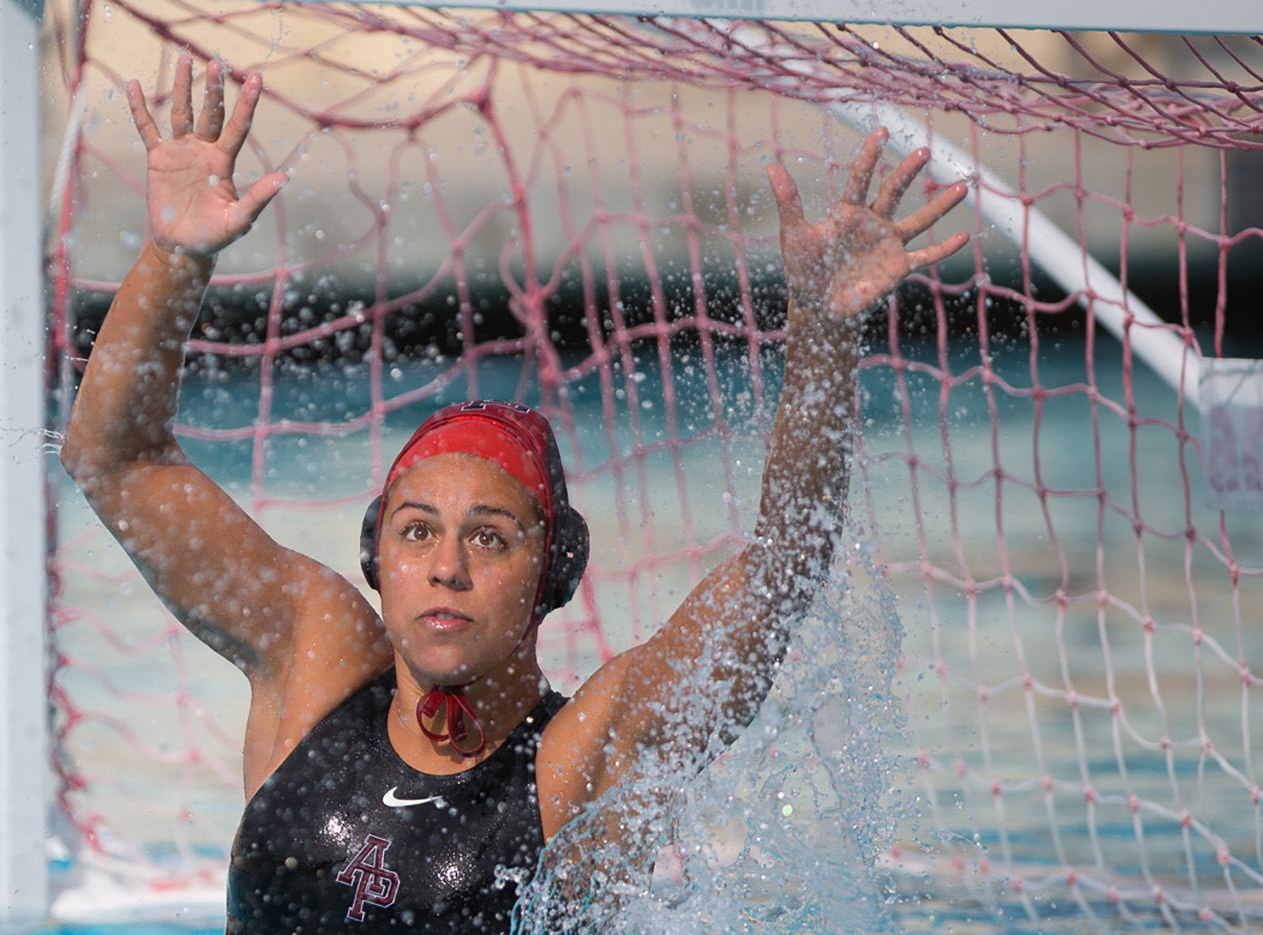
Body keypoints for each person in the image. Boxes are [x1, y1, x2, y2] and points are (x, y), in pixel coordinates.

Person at [58, 57, 970, 933]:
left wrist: (820, 333)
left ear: (553, 569)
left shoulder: (581, 761)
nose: (446, 567)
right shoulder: (316, 659)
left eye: (489, 539)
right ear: (377, 555)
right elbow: (117, 461)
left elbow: (782, 571)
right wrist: (173, 258)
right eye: (417, 533)